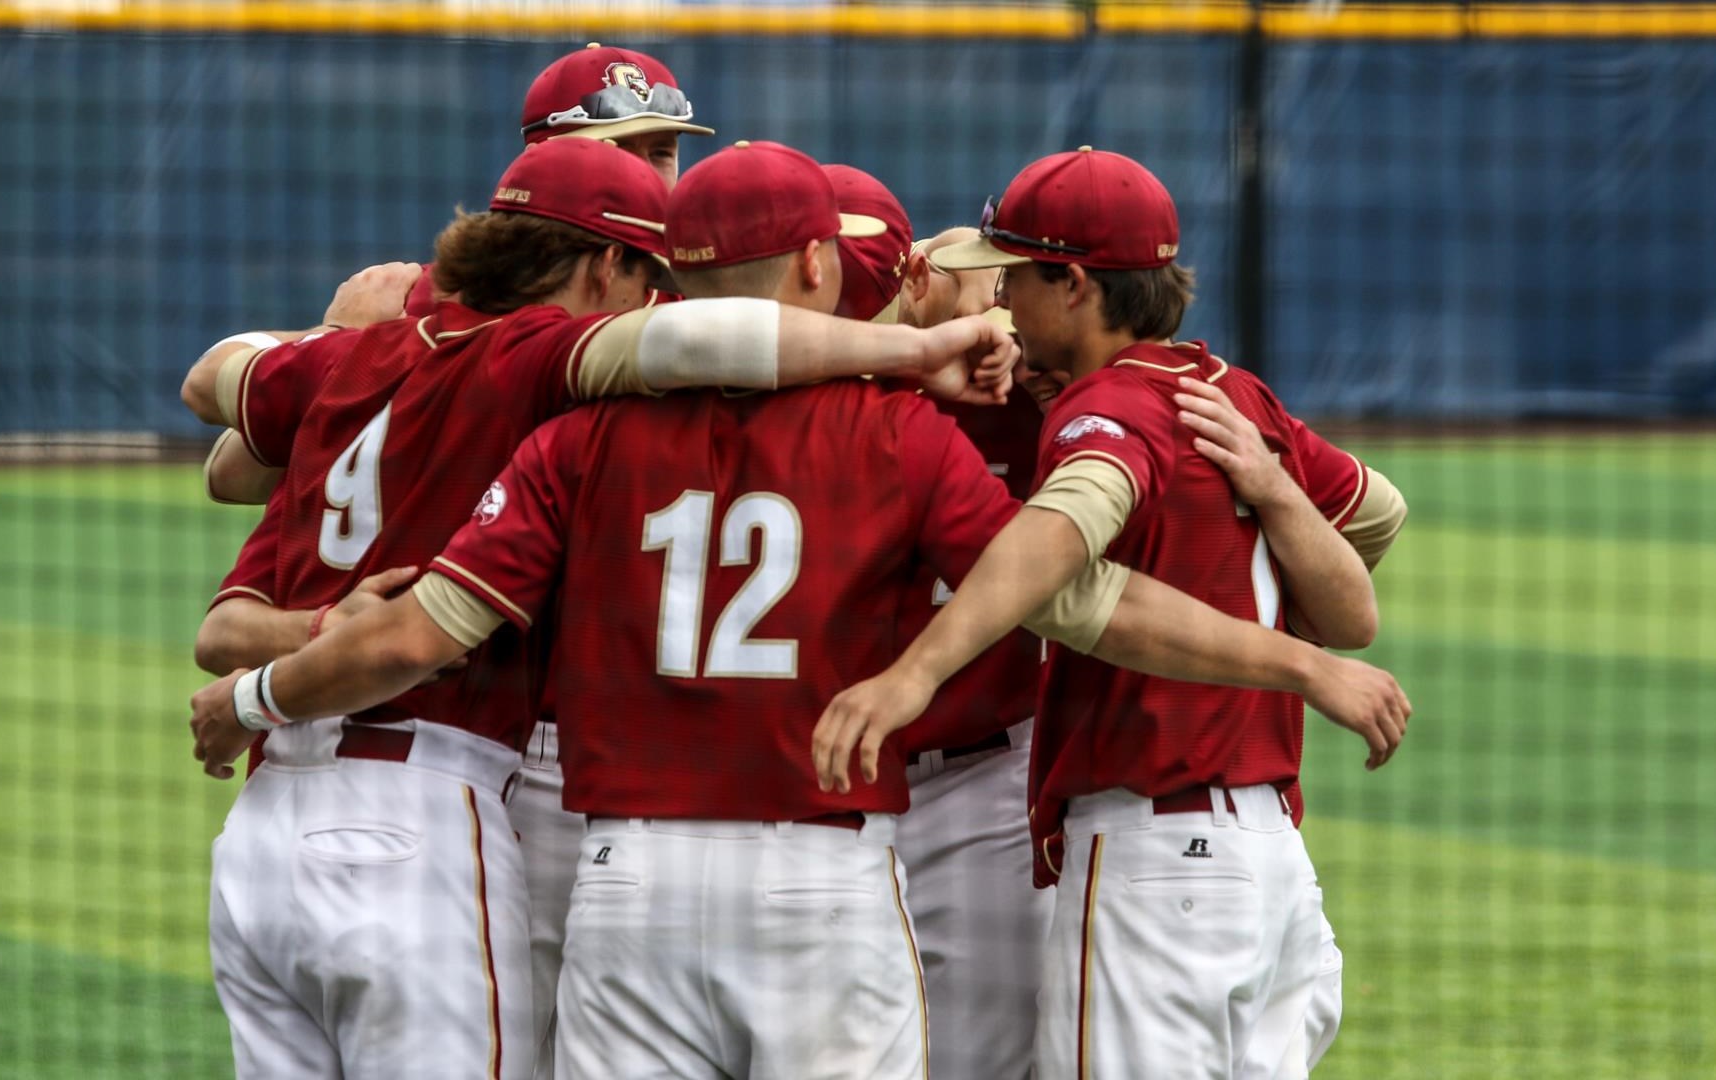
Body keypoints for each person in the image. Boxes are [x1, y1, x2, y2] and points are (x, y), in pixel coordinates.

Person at [187, 140, 1411, 1080]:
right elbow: (1073, 597)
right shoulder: (904, 431)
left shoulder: (572, 436)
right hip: (818, 873)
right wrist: (1296, 664)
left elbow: (402, 613)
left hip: (620, 875)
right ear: (820, 267)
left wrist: (253, 693)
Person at [185, 134, 1022, 1079]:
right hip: (764, 863)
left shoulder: (421, 393)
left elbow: (228, 450)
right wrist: (919, 351)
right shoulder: (551, 370)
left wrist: (259, 691)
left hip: (567, 870)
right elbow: (1029, 583)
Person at [814, 147, 1411, 1078]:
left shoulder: (1103, 408)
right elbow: (1371, 544)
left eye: (1017, 275)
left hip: (1155, 856)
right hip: (1269, 861)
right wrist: (1275, 494)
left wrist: (914, 675)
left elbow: (1068, 524)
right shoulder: (1227, 391)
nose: (1002, 295)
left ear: (1077, 287)